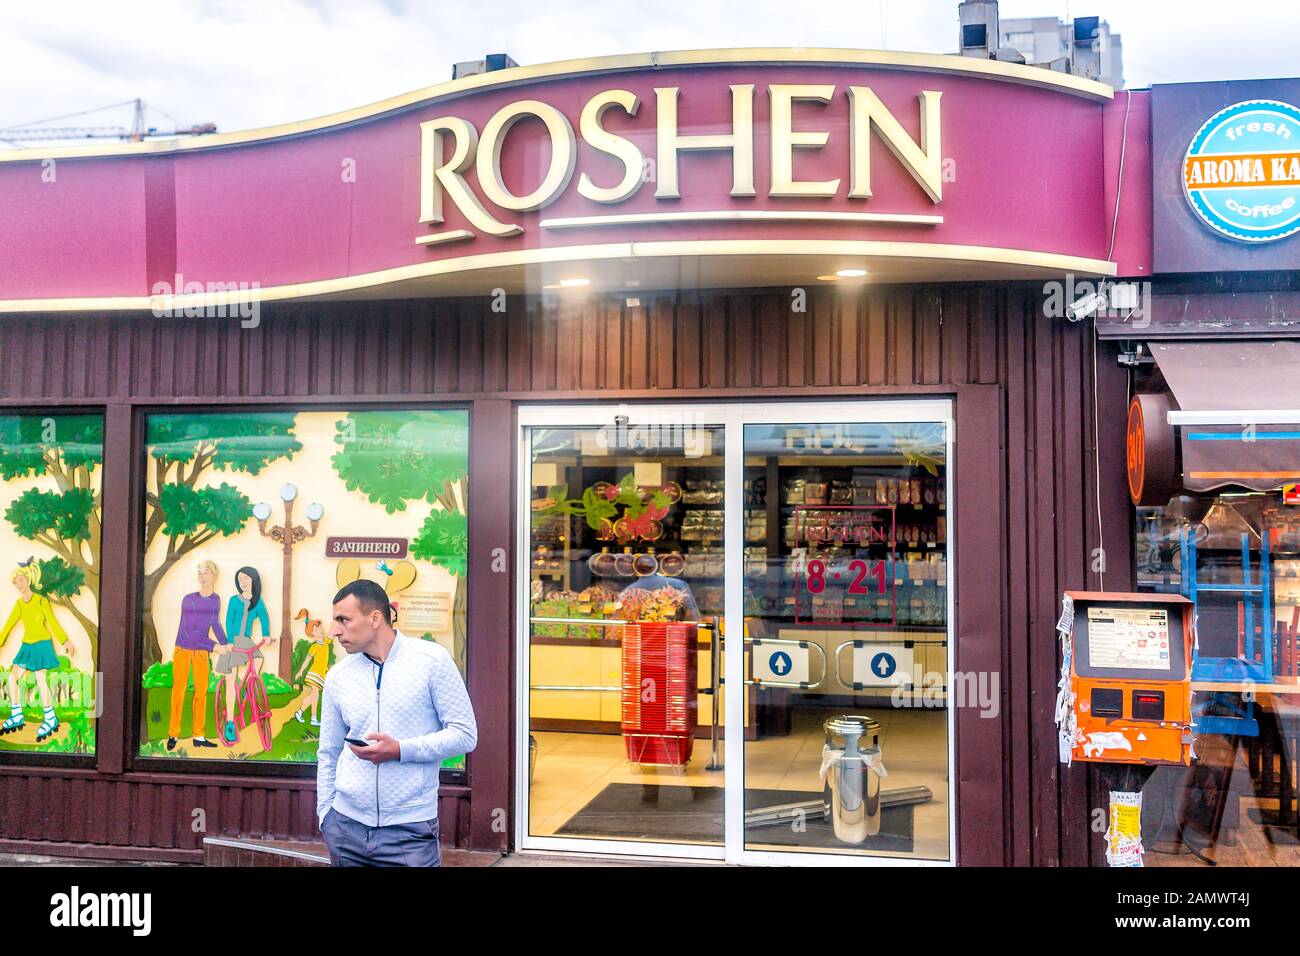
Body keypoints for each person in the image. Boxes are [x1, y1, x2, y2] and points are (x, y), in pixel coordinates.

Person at [316, 579, 476, 867]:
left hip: (409, 831)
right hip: (345, 828)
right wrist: (325, 815)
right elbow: (328, 753)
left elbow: (464, 735)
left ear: (375, 618)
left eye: (343, 620)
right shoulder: (338, 676)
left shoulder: (432, 661)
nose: (334, 631)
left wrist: (400, 749)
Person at [0, 559, 71, 742]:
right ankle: (16, 714)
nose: (18, 585)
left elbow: (53, 622)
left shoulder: (41, 601)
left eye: (21, 581)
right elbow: (8, 625)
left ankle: (50, 718)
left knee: (40, 681)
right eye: (16, 582)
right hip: (27, 645)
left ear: (29, 580)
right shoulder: (19, 604)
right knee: (12, 677)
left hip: (41, 644)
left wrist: (65, 641)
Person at [167, 560, 227, 751]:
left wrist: (225, 644)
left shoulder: (216, 600)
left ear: (214, 575)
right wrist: (214, 646)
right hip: (184, 648)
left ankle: (198, 735)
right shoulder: (189, 599)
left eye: (206, 572)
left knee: (201, 692)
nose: (202, 576)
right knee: (179, 691)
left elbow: (214, 623)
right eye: (199, 573)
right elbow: (190, 632)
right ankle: (173, 734)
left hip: (201, 651)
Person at [215, 566, 272, 746]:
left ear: (254, 580)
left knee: (258, 658)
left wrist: (266, 635)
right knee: (231, 682)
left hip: (246, 640)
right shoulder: (234, 600)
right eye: (240, 580)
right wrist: (230, 641)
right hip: (232, 642)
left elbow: (264, 617)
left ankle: (249, 684)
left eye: (246, 578)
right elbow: (229, 621)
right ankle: (230, 724)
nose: (243, 582)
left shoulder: (257, 602)